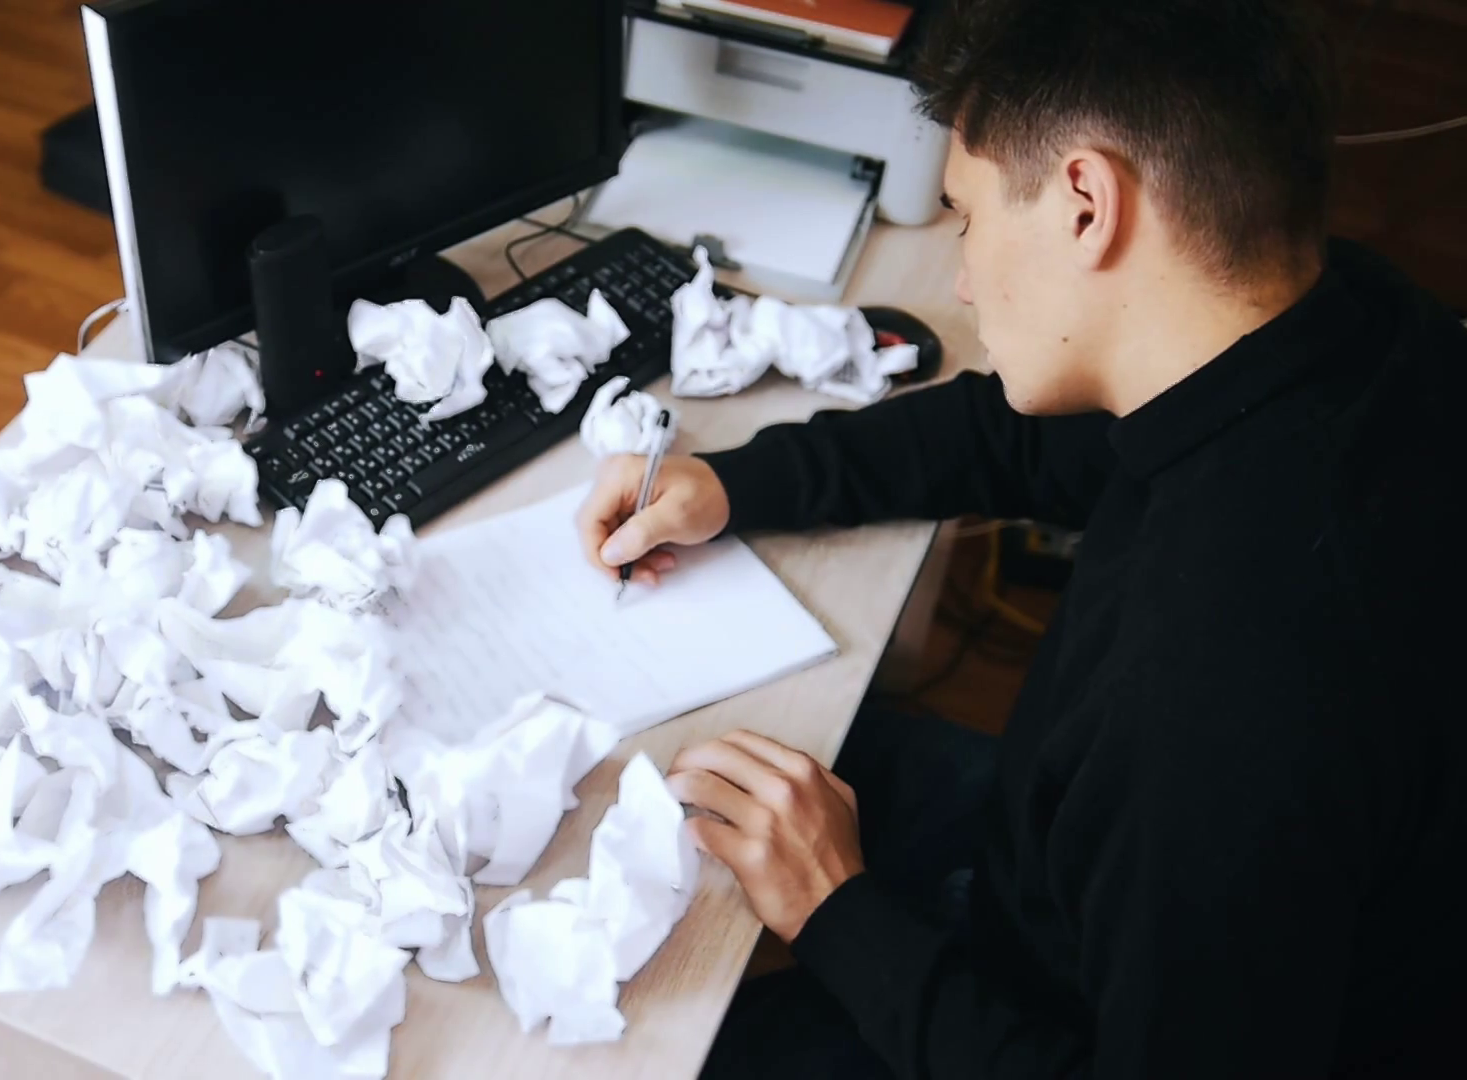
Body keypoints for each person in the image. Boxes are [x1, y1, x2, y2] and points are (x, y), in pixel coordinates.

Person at [575, 0, 1466, 1076]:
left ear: (1087, 203)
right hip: (1083, 884)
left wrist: (835, 910)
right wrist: (737, 483)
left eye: (966, 216)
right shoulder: (1348, 324)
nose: (959, 274)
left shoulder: (1213, 712)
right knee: (701, 761)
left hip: (1062, 1009)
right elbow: (1023, 435)